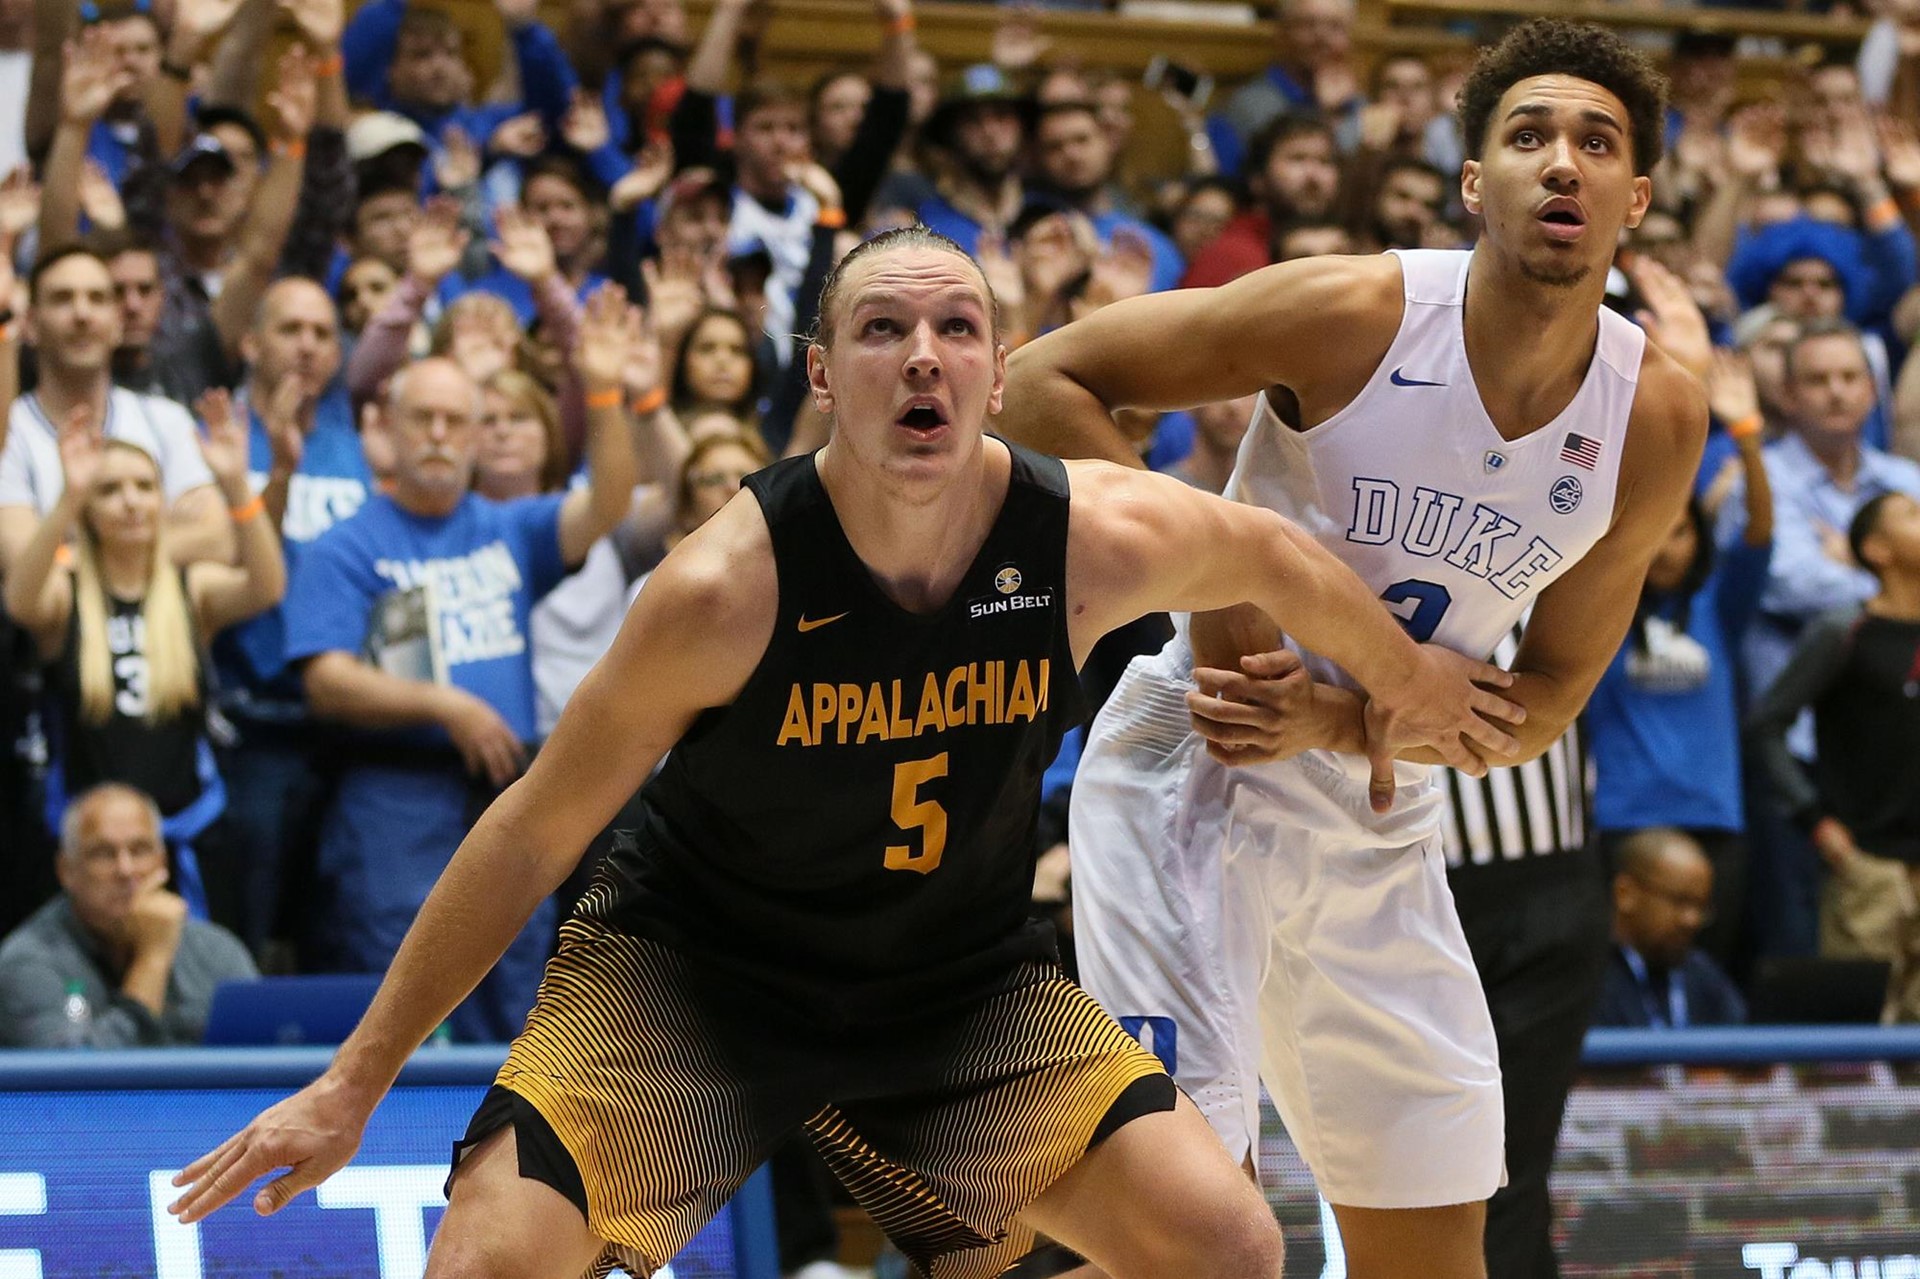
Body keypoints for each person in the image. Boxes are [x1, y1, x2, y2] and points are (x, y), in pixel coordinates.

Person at [167, 227, 1519, 1279]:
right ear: (824, 374)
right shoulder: (723, 587)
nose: (923, 355)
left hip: (949, 985)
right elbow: (533, 823)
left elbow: (1275, 554)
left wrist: (1405, 681)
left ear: (997, 370)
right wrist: (355, 1080)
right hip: (694, 975)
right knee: (486, 1258)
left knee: (1229, 1243)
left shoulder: (1084, 536)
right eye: (882, 329)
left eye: (957, 329)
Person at [998, 20, 1704, 1279]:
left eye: (1597, 143)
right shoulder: (1359, 308)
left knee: (1433, 1243)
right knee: (1194, 1240)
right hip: (1194, 765)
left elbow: (1541, 704)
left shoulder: (1652, 413)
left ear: (1634, 199)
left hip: (1379, 805)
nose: (1564, 164)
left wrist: (1340, 718)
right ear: (1472, 181)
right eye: (1528, 135)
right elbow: (1048, 378)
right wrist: (1211, 595)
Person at [279, 286, 638, 1042]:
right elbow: (326, 678)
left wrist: (601, 391)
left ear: (478, 435)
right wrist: (447, 705)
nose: (440, 434)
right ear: (386, 427)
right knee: (406, 1012)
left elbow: (606, 504)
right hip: (393, 799)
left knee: (517, 1007)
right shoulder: (345, 545)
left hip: (502, 799)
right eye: (424, 418)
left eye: (457, 421)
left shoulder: (509, 527)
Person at [3, 393, 285, 928]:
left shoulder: (189, 590)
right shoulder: (65, 597)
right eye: (109, 491)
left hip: (185, 837)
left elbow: (266, 587)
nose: (131, 501)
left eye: (144, 486)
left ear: (163, 499)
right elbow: (20, 601)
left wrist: (234, 486)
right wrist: (67, 496)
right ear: (89, 510)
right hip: (90, 852)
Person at [1745, 491, 1920, 1019]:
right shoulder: (1845, 630)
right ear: (1877, 549)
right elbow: (1766, 725)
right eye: (1913, 515)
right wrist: (1816, 821)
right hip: (1866, 864)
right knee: (1861, 1038)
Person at [0, 245, 231, 573]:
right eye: (62, 299)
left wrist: (65, 548)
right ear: (31, 325)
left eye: (97, 298)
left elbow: (220, 540)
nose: (82, 314)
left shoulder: (166, 419)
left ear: (117, 322)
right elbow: (20, 564)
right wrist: (155, 531)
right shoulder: (9, 431)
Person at [0, 782, 258, 1048]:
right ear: (66, 870)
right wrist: (153, 958)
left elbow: (262, 1057)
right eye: (103, 853)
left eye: (140, 850)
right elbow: (71, 1082)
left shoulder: (218, 954)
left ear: (162, 863)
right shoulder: (26, 963)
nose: (126, 870)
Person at [1591, 828, 1747, 1028]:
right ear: (1625, 893)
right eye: (1679, 901)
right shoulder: (1588, 979)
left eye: (1700, 906)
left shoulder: (1702, 975)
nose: (1691, 920)